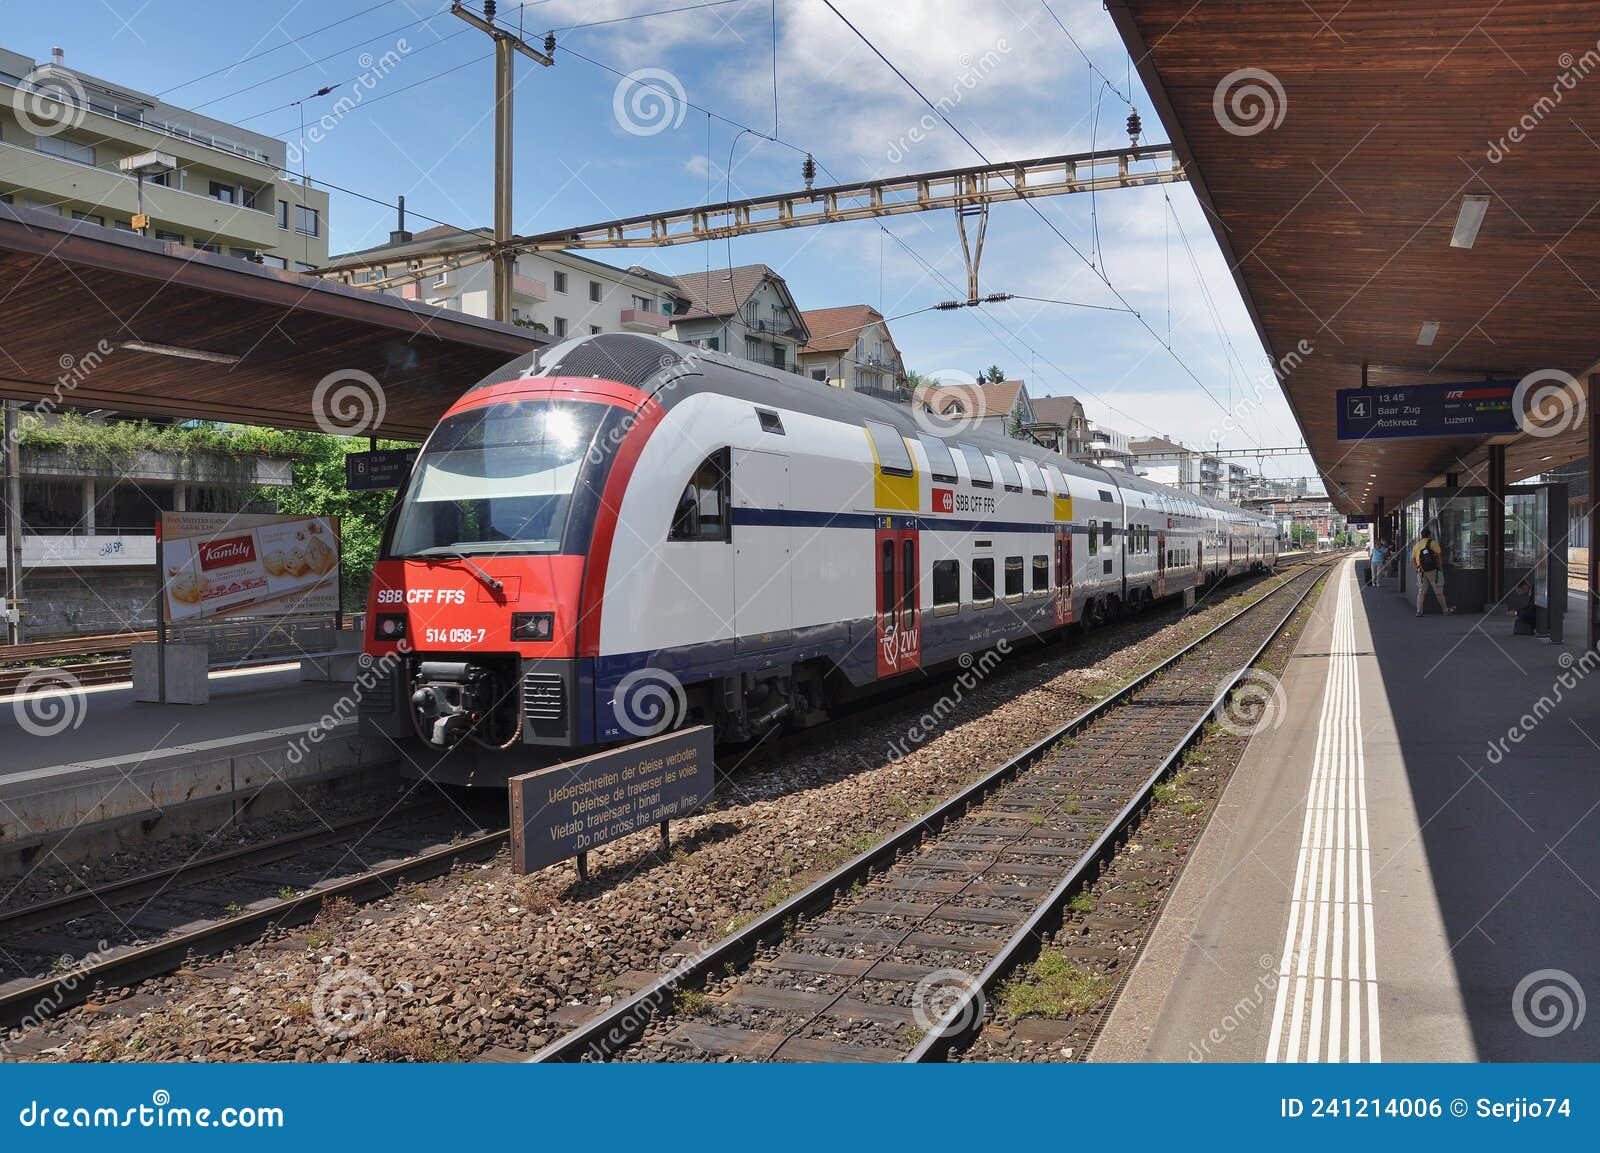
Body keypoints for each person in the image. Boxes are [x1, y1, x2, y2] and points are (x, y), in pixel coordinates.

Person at [1412, 527, 1455, 617]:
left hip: (1421, 572)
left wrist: (1417, 569)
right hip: (1433, 571)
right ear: (1429, 535)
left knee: (1421, 592)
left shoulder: (1416, 545)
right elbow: (1438, 557)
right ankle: (1445, 611)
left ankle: (1419, 611)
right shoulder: (1433, 543)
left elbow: (1413, 560)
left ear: (1421, 536)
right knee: (1439, 592)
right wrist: (1440, 569)